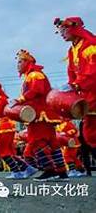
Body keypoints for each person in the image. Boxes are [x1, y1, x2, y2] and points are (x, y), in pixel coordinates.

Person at [13, 49, 67, 181]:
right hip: (43, 114)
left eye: (20, 61)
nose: (18, 65)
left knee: (37, 142)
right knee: (52, 142)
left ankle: (50, 170)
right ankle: (61, 171)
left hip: (39, 114)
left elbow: (36, 90)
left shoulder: (35, 74)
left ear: (27, 61)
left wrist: (19, 100)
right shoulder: (32, 75)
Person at [54, 17, 96, 172]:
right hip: (88, 95)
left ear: (74, 28)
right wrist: (71, 86)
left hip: (93, 92)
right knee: (89, 135)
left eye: (64, 30)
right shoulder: (72, 50)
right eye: (60, 31)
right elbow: (72, 72)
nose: (61, 33)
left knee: (90, 134)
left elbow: (93, 73)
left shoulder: (90, 46)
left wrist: (75, 84)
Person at [0, 75, 34, 179]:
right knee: (10, 152)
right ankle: (27, 168)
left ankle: (17, 172)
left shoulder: (0, 99)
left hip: (5, 127)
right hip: (7, 127)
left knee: (3, 151)